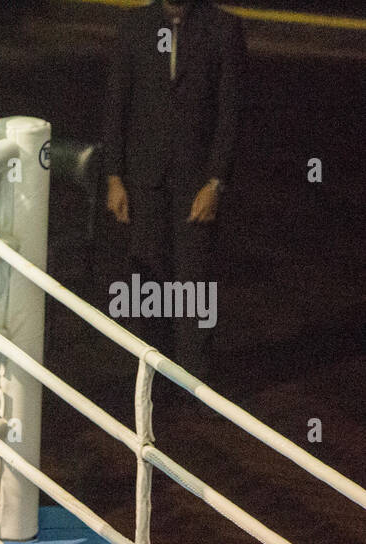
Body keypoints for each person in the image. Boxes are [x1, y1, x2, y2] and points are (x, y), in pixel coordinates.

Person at [103, 0, 244, 377]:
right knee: (147, 281)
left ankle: (194, 382)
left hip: (196, 183)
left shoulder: (223, 29)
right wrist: (114, 176)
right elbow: (117, 104)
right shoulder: (133, 26)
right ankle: (150, 377)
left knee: (193, 282)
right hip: (142, 180)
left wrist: (216, 182)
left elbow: (231, 113)